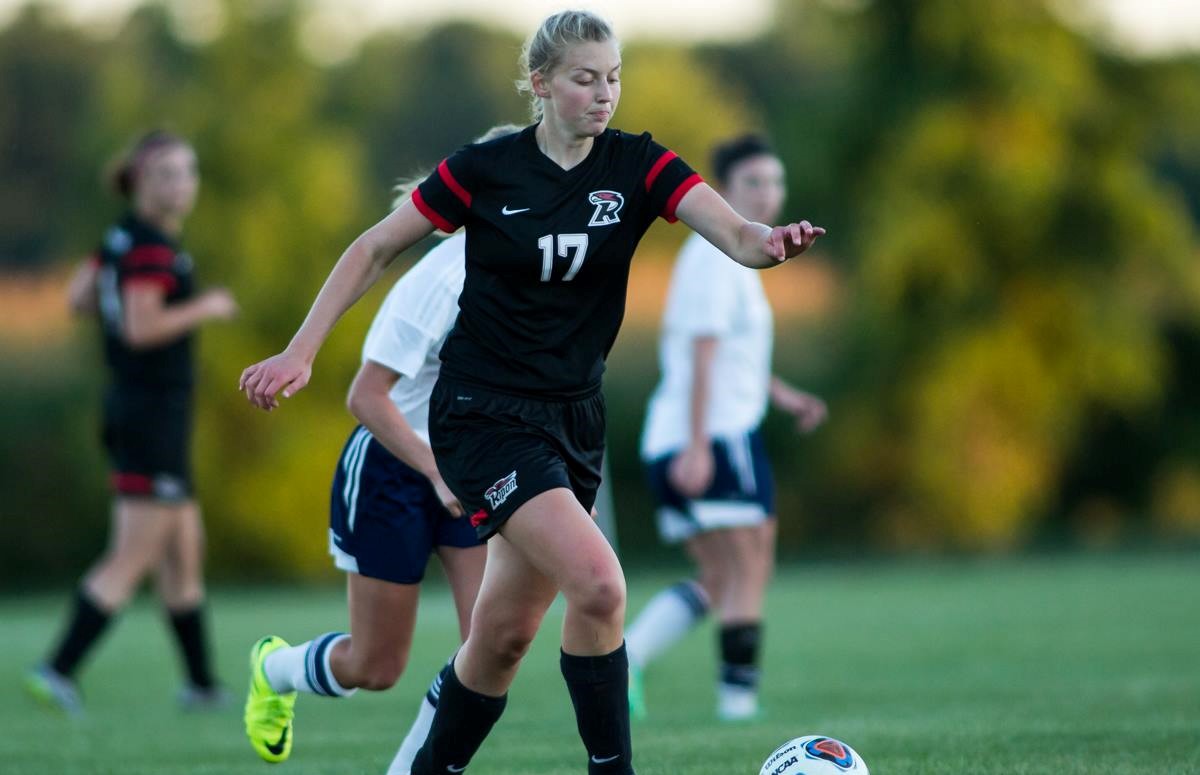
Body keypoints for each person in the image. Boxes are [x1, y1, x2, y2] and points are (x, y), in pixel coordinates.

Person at [238, 10, 824, 774]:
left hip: (573, 422)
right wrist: (302, 347)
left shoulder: (639, 166)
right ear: (541, 83)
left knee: (502, 637)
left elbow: (738, 232)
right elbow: (376, 245)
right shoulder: (487, 171)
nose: (603, 94)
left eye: (613, 78)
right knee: (600, 582)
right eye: (585, 79)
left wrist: (767, 245)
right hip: (482, 417)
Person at [242, 125, 521, 774]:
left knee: (489, 648)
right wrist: (434, 468)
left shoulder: (535, 278)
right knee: (376, 665)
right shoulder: (438, 280)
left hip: (469, 470)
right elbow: (366, 398)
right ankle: (275, 667)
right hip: (393, 467)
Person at [26, 130, 238, 714]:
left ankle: (199, 685)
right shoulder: (149, 247)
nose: (180, 183)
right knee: (133, 555)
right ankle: (57, 669)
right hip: (150, 415)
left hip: (140, 410)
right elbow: (143, 329)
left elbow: (77, 298)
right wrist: (205, 306)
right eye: (166, 173)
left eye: (186, 171)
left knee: (182, 554)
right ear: (139, 182)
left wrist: (118, 304)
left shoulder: (121, 240)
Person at [626, 134, 828, 723]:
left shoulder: (742, 256)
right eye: (754, 183)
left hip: (701, 434)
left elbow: (735, 358)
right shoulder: (717, 252)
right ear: (725, 191)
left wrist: (786, 397)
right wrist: (696, 447)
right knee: (748, 570)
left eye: (775, 181)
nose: (769, 194)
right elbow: (703, 354)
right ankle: (738, 708)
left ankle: (629, 654)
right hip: (711, 437)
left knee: (720, 575)